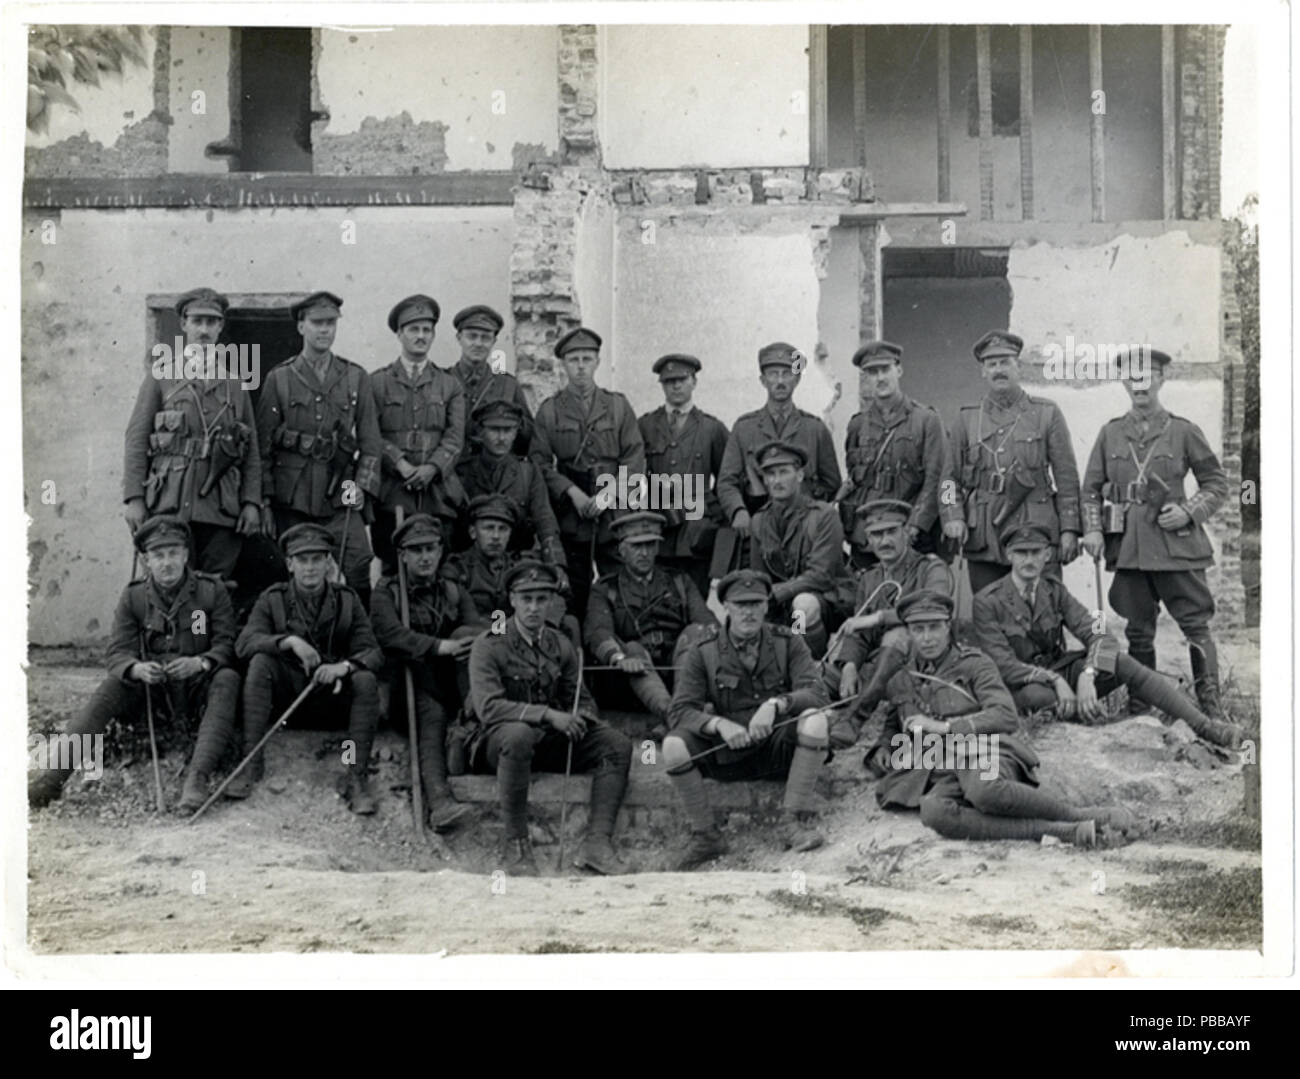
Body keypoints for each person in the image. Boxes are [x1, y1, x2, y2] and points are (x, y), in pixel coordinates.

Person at [871, 590, 1139, 846]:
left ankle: (1076, 816)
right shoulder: (901, 679)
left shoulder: (976, 664)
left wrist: (945, 728)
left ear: (948, 627)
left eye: (934, 627)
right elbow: (897, 721)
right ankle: (1059, 832)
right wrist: (885, 746)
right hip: (942, 765)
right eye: (918, 629)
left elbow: (1005, 715)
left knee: (984, 789)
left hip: (985, 751)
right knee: (933, 810)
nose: (927, 638)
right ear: (908, 633)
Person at [28, 516, 240, 813]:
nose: (166, 563)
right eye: (158, 555)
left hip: (195, 689)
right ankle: (51, 778)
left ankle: (197, 779)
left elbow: (227, 645)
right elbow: (117, 651)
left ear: (186, 555)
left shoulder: (210, 591)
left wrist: (200, 663)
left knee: (227, 679)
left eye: (173, 553)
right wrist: (136, 668)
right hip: (150, 692)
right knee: (111, 687)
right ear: (146, 560)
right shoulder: (134, 596)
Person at [972, 522, 1242, 746]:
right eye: (1021, 552)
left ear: (1047, 555)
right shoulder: (987, 601)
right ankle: (1083, 717)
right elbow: (1003, 666)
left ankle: (1206, 727)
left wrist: (1088, 674)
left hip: (1062, 674)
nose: (1028, 560)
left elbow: (1101, 634)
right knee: (1038, 698)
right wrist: (1053, 679)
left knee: (1120, 661)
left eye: (1035, 552)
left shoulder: (1054, 591)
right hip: (1022, 685)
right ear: (1008, 555)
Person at [1081, 348, 1234, 723]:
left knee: (1195, 623)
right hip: (1130, 547)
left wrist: (1188, 510)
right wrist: (1093, 530)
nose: (1139, 382)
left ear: (1161, 379)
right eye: (1131, 376)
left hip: (1176, 545)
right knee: (1138, 630)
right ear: (1123, 382)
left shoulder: (1182, 431)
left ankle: (1211, 707)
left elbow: (1217, 484)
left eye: (1147, 374)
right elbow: (1089, 490)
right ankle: (1140, 709)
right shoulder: (1110, 433)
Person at [467, 561, 633, 876]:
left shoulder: (560, 644)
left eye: (541, 599)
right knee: (518, 735)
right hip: (497, 744)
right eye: (526, 599)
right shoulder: (489, 645)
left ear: (551, 602)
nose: (533, 608)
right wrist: (548, 715)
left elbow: (581, 700)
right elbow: (488, 708)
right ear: (512, 600)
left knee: (616, 744)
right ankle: (516, 846)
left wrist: (580, 717)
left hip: (545, 741)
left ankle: (597, 843)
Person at [662, 569, 833, 870]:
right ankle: (707, 836)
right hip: (727, 752)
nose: (749, 612)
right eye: (740, 604)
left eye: (755, 604)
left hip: (777, 751)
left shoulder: (788, 642)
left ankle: (791, 823)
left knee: (815, 720)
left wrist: (778, 703)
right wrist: (718, 725)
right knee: (672, 745)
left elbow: (817, 694)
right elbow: (679, 710)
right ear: (725, 606)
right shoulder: (703, 650)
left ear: (767, 605)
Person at [231, 523, 384, 813]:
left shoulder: (347, 601)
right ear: (290, 564)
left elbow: (373, 652)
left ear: (329, 562)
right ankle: (251, 765)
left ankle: (355, 776)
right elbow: (244, 643)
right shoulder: (273, 599)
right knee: (261, 662)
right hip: (286, 699)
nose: (310, 568)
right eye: (303, 560)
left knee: (364, 680)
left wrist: (344, 667)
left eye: (317, 559)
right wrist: (287, 642)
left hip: (330, 699)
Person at [122, 287, 261, 580]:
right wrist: (134, 497)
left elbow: (251, 451)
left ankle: (205, 629)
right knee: (170, 583)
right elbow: (136, 439)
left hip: (221, 507)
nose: (204, 330)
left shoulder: (235, 384)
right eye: (197, 321)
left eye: (212, 322)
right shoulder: (161, 377)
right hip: (170, 501)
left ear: (221, 327)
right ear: (184, 324)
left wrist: (251, 502)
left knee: (215, 587)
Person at [255, 291, 382, 605]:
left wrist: (361, 488)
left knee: (358, 563)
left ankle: (357, 636)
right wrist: (265, 502)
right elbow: (263, 448)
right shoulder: (280, 379)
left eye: (330, 323)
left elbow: (371, 443)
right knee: (297, 574)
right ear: (301, 327)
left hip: (341, 496)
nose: (324, 330)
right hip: (292, 499)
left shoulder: (355, 377)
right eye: (317, 323)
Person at [941, 331, 1081, 594]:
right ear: (983, 371)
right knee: (989, 610)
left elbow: (1067, 479)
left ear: (1019, 366)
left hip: (1035, 528)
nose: (998, 370)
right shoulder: (967, 419)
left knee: (1043, 613)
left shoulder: (1045, 413)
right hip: (985, 532)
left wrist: (1069, 529)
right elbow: (949, 480)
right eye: (991, 364)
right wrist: (952, 515)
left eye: (1005, 362)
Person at [370, 513, 485, 833]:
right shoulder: (387, 592)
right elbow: (389, 634)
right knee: (431, 714)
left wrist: (461, 642)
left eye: (430, 549)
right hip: (404, 687)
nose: (424, 557)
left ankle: (469, 725)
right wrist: (438, 647)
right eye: (416, 551)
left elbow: (475, 628)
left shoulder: (452, 591)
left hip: (447, 683)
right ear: (403, 555)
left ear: (440, 552)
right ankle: (440, 803)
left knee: (468, 636)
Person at [530, 326, 645, 618]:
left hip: (615, 512)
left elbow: (634, 457)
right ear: (563, 365)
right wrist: (573, 494)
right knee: (575, 589)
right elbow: (539, 462)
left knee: (620, 584)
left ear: (597, 362)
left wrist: (609, 495)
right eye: (573, 360)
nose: (580, 367)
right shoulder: (550, 411)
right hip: (572, 513)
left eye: (586, 359)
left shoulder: (617, 406)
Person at [827, 499, 952, 747]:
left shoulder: (930, 567)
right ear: (868, 540)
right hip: (878, 663)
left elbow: (935, 604)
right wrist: (850, 664)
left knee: (897, 636)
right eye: (876, 534)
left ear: (906, 531)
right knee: (821, 674)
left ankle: (855, 718)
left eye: (891, 532)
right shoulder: (869, 578)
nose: (884, 541)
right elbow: (859, 632)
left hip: (922, 662)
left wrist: (880, 617)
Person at [583, 511, 715, 731]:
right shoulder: (605, 589)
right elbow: (598, 632)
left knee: (696, 632)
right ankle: (681, 715)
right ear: (621, 550)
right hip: (632, 678)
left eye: (650, 545)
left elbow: (706, 620)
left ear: (657, 548)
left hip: (678, 669)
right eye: (636, 546)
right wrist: (618, 657)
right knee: (633, 648)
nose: (644, 553)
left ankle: (673, 715)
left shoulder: (679, 581)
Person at [369, 294, 466, 574]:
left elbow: (454, 437)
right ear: (399, 334)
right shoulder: (377, 382)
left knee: (439, 567)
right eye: (413, 329)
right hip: (392, 493)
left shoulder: (449, 385)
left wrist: (433, 468)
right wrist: (399, 463)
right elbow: (371, 434)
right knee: (392, 568)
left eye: (427, 330)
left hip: (437, 494)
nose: (420, 336)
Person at [717, 342, 842, 555]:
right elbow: (726, 481)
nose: (780, 381)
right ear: (763, 381)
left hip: (804, 533)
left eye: (786, 374)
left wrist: (810, 508)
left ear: (797, 379)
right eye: (773, 374)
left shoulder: (815, 429)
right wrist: (738, 511)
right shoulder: (744, 428)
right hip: (756, 530)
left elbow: (831, 482)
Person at [836, 340, 948, 568]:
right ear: (865, 378)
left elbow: (938, 479)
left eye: (885, 369)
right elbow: (856, 481)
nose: (880, 378)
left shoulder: (926, 420)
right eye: (872, 372)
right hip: (869, 536)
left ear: (899, 370)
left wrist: (916, 525)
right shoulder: (858, 425)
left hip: (911, 535)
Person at [747, 441, 855, 659]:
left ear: (799, 475)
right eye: (770, 474)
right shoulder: (759, 521)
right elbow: (758, 575)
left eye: (783, 472)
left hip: (827, 601)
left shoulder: (823, 515)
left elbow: (821, 576)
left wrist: (778, 593)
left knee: (802, 608)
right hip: (780, 603)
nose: (776, 480)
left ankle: (808, 663)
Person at [636, 353, 729, 596]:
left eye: (682, 379)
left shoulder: (712, 428)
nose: (676, 386)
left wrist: (711, 515)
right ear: (662, 385)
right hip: (658, 533)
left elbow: (728, 479)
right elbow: (632, 475)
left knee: (695, 600)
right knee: (658, 601)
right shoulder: (645, 426)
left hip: (697, 536)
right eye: (669, 381)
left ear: (694, 382)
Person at [452, 398, 564, 568]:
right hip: (472, 567)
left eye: (508, 430)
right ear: (481, 431)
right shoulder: (463, 473)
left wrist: (556, 566)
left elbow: (545, 521)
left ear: (516, 432)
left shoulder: (528, 472)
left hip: (517, 563)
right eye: (494, 430)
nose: (501, 437)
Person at [449, 304, 533, 461]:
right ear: (459, 338)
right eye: (472, 336)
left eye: (485, 337)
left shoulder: (508, 385)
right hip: (452, 473)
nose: (479, 344)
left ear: (494, 341)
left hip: (493, 474)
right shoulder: (444, 381)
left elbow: (526, 438)